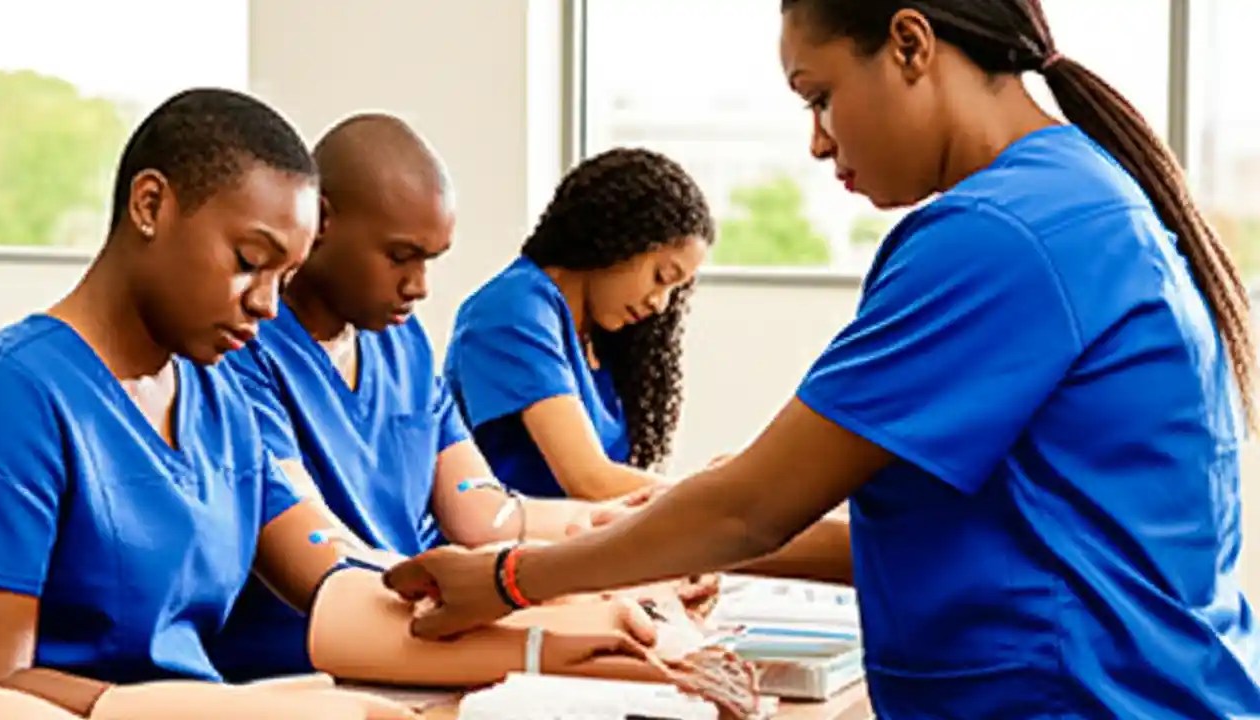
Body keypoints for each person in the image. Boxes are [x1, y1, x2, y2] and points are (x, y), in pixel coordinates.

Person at [383, 1, 1260, 718]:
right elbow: (979, 534)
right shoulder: (1080, 199)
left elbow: (756, 505)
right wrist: (682, 533)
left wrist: (511, 577)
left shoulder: (999, 235)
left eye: (820, 96)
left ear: (910, 45)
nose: (817, 139)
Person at [0, 89, 664, 720]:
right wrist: (215, 714)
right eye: (250, 260)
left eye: (286, 275)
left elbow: (340, 592)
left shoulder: (218, 401)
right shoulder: (16, 392)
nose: (267, 304)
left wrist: (549, 642)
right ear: (150, 205)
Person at [211, 113, 692, 681]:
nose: (419, 286)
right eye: (399, 256)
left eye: (429, 260)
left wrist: (616, 535)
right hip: (313, 661)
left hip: (430, 627)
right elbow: (318, 547)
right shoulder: (244, 350)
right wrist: (531, 596)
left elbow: (487, 513)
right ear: (321, 222)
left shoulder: (403, 342)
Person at [443, 147, 714, 500]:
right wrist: (713, 494)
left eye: (675, 291)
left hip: (577, 540)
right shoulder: (511, 311)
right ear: (620, 239)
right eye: (661, 276)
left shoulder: (601, 336)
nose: (660, 303)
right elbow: (589, 480)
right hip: (514, 544)